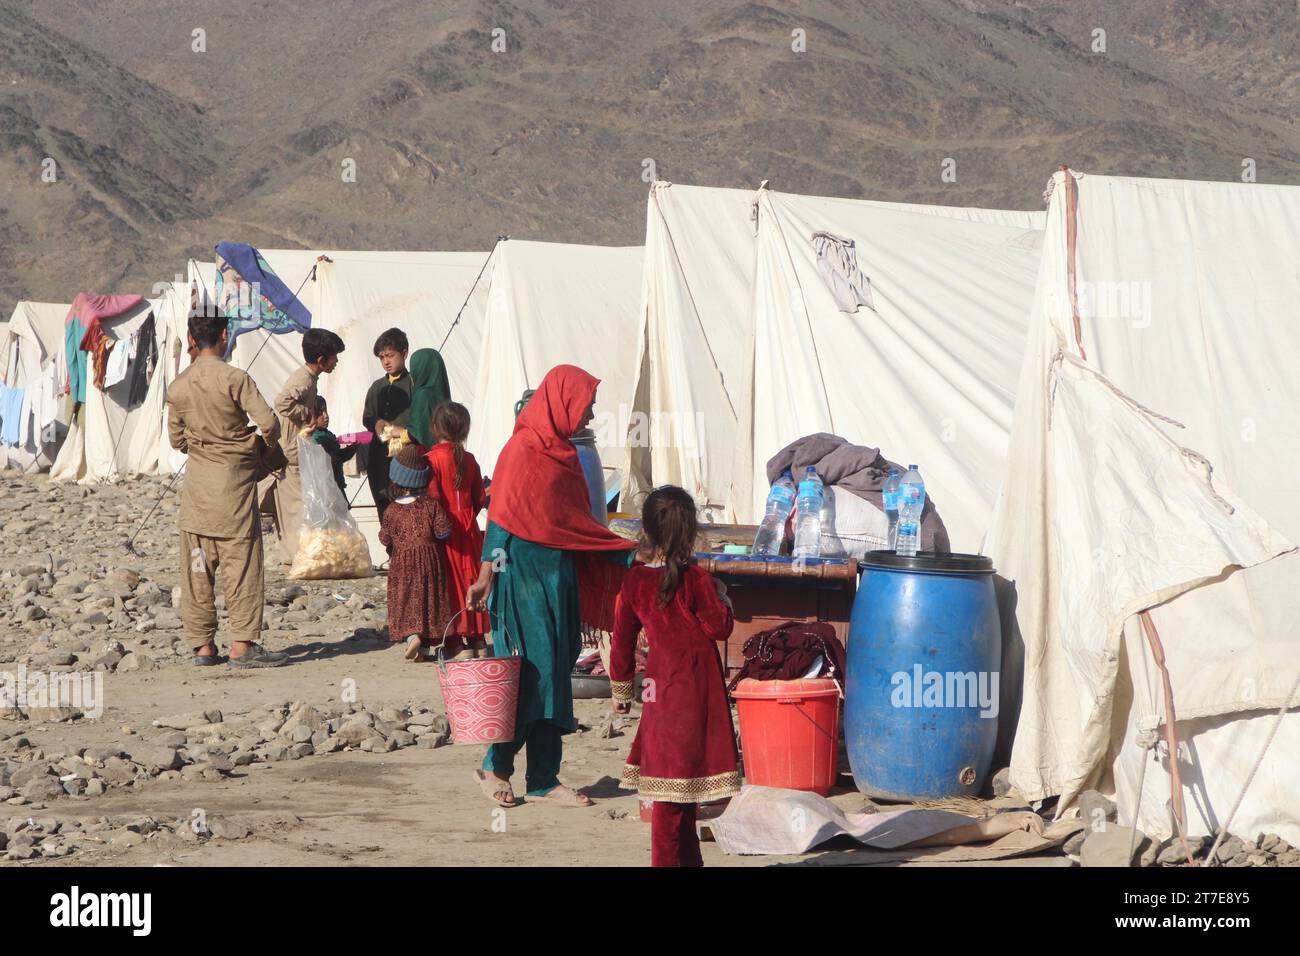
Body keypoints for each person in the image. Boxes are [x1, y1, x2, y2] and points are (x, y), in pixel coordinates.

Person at [466, 365, 639, 809]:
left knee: (557, 673)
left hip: (558, 576)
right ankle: (496, 765)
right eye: (584, 408)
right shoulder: (521, 450)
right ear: (560, 401)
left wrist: (624, 551)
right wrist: (486, 574)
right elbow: (502, 518)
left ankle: (544, 777)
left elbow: (578, 524)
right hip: (519, 575)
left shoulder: (564, 455)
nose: (588, 417)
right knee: (531, 675)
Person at [610, 486, 740, 866]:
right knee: (676, 798)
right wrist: (722, 594)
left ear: (647, 529)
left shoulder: (635, 581)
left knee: (673, 793)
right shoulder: (698, 581)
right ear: (689, 531)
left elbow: (621, 641)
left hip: (661, 693)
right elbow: (721, 628)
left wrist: (620, 690)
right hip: (699, 692)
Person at [166, 311, 289, 668]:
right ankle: (242, 646)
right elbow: (269, 423)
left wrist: (205, 444)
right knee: (242, 565)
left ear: (192, 338)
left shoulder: (178, 387)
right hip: (233, 493)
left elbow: (176, 440)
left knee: (198, 571)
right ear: (223, 335)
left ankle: (203, 646)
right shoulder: (235, 379)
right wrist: (256, 449)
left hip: (197, 498)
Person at [268, 328, 345, 566]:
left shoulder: (310, 379)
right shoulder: (303, 379)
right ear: (321, 360)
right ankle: (295, 558)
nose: (336, 362)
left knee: (300, 506)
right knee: (296, 508)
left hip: (297, 449)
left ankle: (299, 556)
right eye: (334, 357)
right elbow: (282, 402)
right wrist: (307, 416)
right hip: (291, 452)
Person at [425, 401, 489, 658]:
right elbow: (480, 498)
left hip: (445, 532)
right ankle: (478, 639)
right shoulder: (470, 460)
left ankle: (455, 641)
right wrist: (467, 517)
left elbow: (432, 498)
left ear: (435, 427)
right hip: (469, 530)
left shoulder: (431, 460)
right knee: (472, 580)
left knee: (450, 583)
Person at [378, 444, 454, 661]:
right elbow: (443, 531)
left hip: (401, 564)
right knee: (428, 600)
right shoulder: (431, 506)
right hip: (430, 561)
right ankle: (424, 648)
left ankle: (412, 638)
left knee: (406, 600)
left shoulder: (391, 510)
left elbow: (384, 538)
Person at [362, 328, 413, 522]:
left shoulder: (414, 385)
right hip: (379, 460)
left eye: (390, 355)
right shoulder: (377, 387)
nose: (386, 362)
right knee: (385, 512)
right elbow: (367, 417)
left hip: (406, 460)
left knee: (407, 511)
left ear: (404, 353)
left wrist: (402, 433)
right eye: (382, 357)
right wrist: (376, 422)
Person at [401, 347, 451, 453]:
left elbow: (418, 433)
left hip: (428, 457)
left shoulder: (422, 395)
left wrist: (393, 431)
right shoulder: (442, 392)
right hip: (446, 453)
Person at [308, 396, 358, 494]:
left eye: (326, 411)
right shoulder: (313, 438)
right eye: (320, 413)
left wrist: (353, 448)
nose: (326, 416)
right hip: (326, 491)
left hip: (337, 487)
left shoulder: (327, 434)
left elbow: (337, 456)